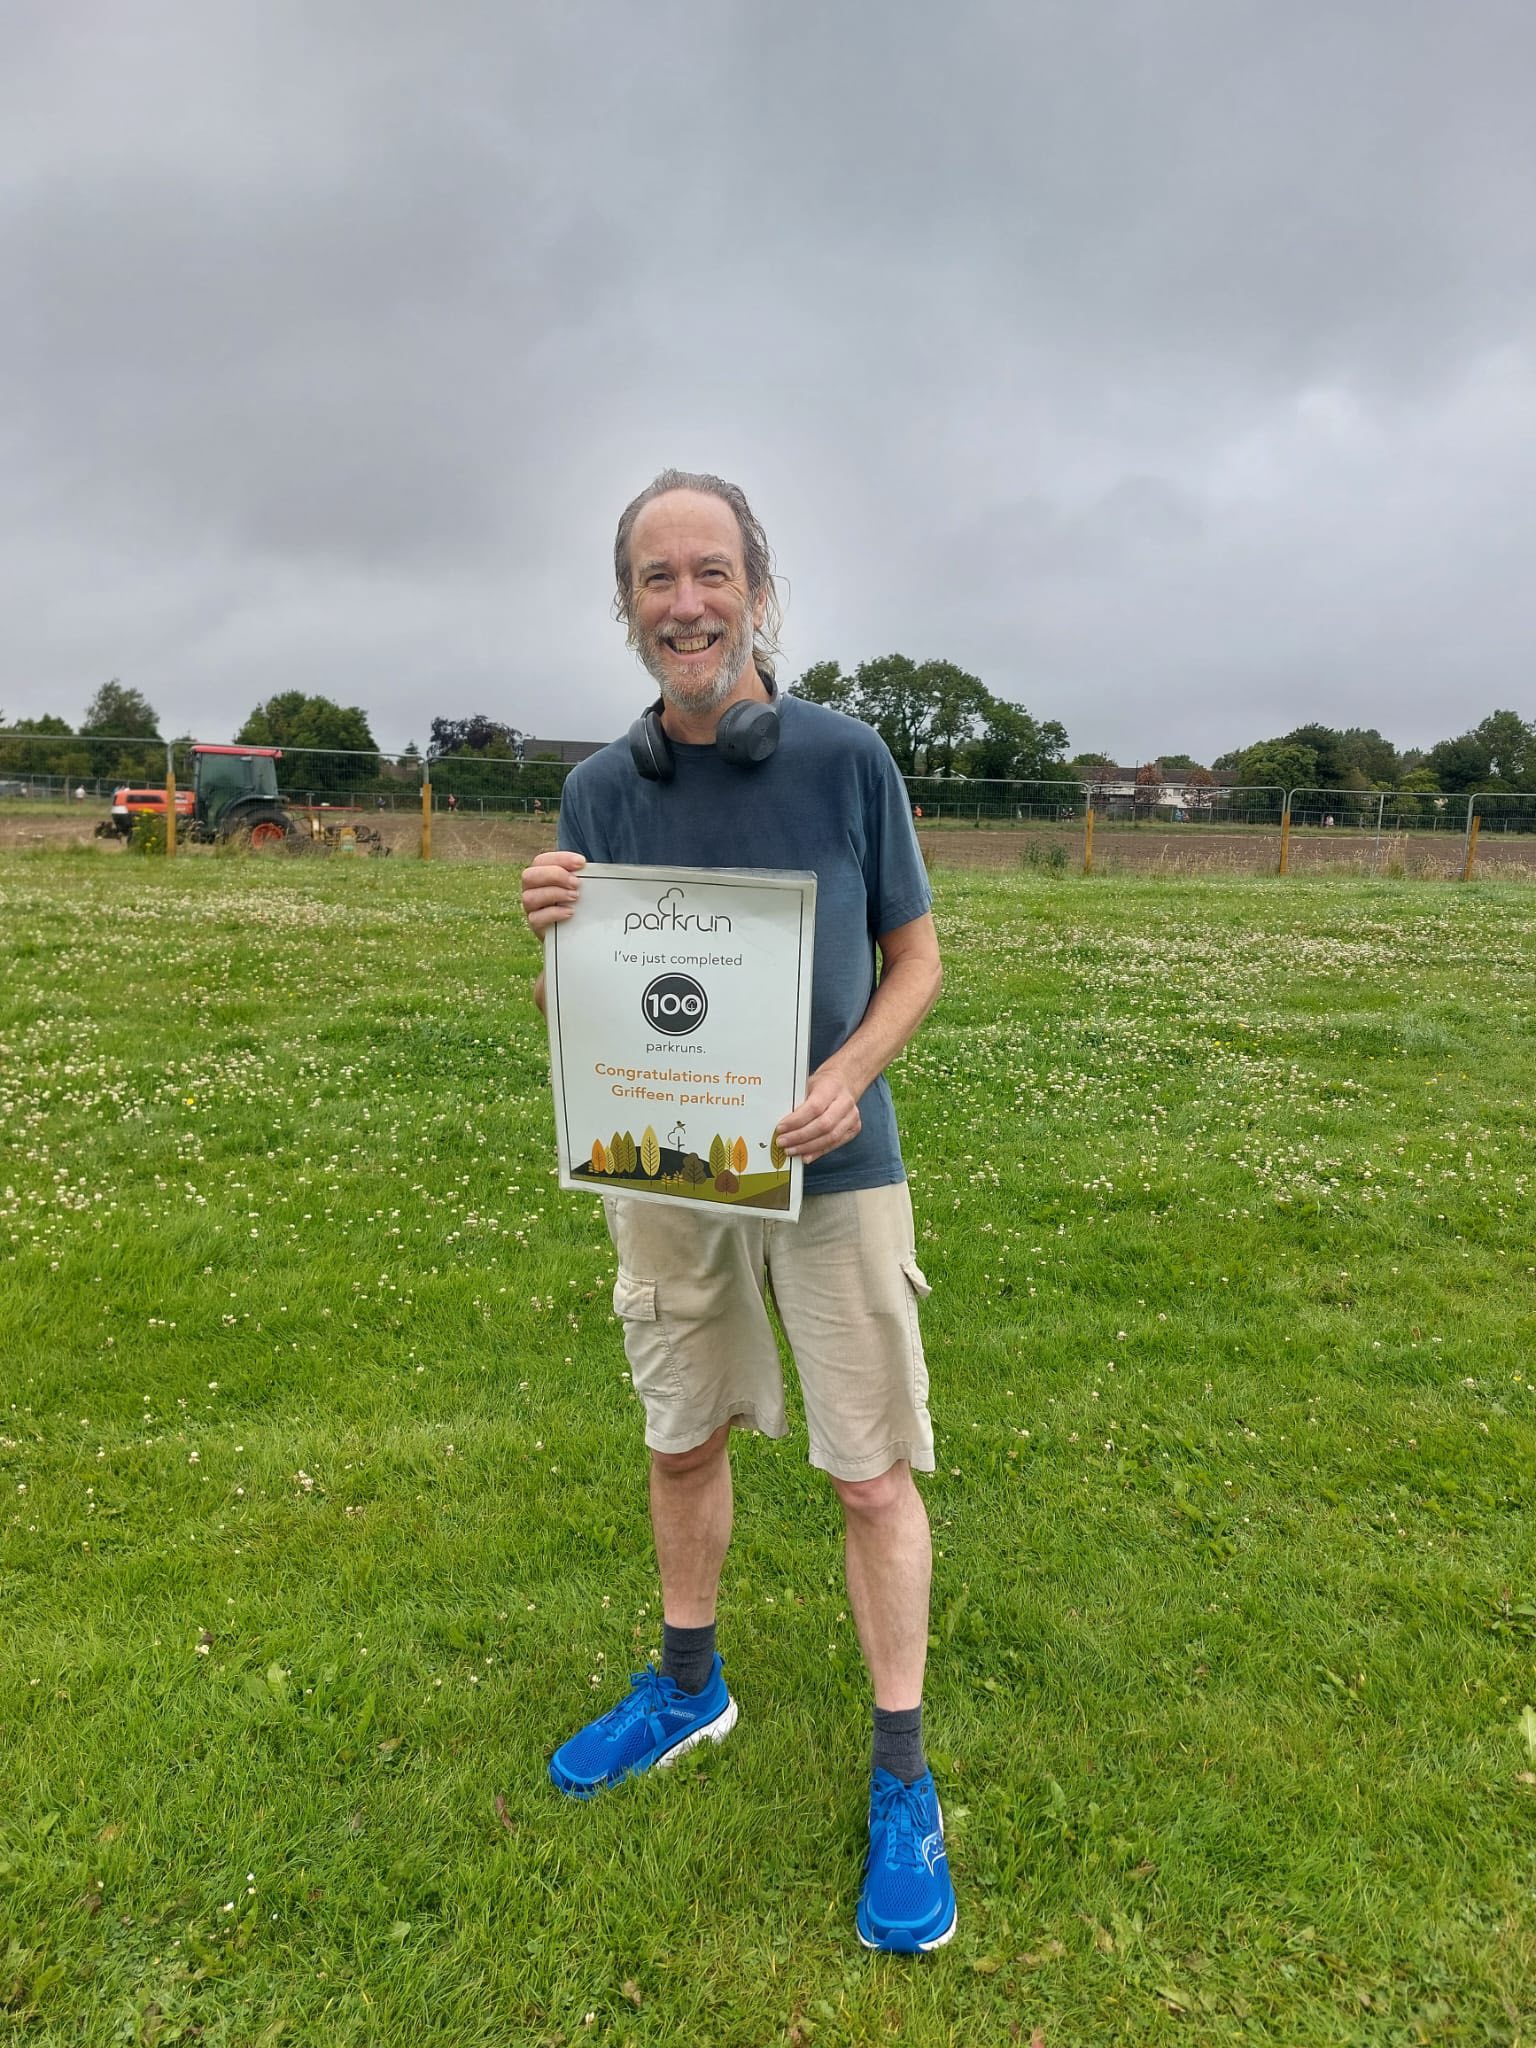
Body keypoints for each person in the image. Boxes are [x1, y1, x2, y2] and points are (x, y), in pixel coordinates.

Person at [519, 469, 952, 1953]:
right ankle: (689, 1689)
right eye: (657, 579)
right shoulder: (596, 791)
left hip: (836, 1167)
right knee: (679, 1431)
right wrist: (558, 962)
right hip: (668, 1172)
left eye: (712, 574)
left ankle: (903, 1775)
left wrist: (844, 1076)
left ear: (756, 590)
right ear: (627, 604)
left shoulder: (847, 760)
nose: (686, 605)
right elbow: (592, 1014)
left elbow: (919, 962)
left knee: (868, 1472)